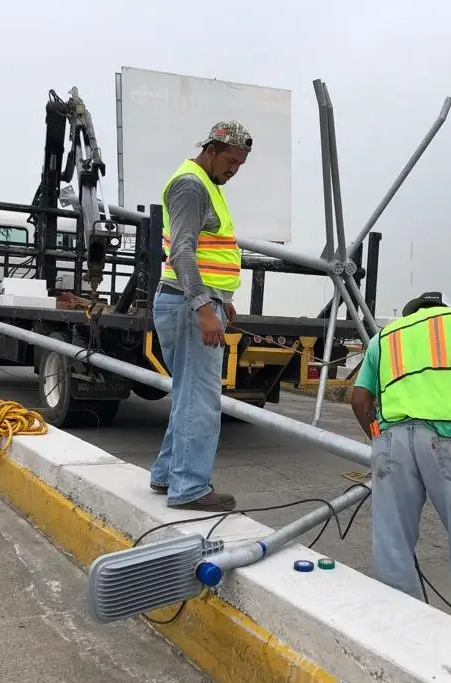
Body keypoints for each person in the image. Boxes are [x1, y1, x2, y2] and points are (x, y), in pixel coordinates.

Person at [351, 291, 451, 639]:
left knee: (392, 544)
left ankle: (406, 633)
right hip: (447, 437)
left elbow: (360, 398)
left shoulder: (385, 336)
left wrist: (379, 439)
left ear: (410, 313)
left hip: (392, 439)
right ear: (439, 307)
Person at [148, 121, 252, 512]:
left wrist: (221, 298)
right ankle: (189, 487)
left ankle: (165, 475)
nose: (234, 170)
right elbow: (183, 253)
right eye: (230, 161)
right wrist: (203, 307)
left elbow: (207, 252)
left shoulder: (203, 184)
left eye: (240, 164)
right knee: (201, 400)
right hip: (188, 305)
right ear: (210, 150)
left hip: (193, 302)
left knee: (188, 395)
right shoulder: (192, 185)